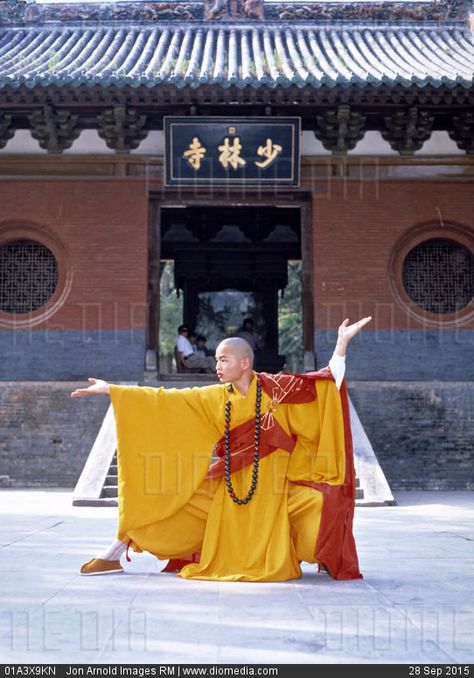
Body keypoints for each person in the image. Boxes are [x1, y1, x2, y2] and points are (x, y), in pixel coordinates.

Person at [71, 316, 372, 582]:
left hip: (275, 487)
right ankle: (113, 554)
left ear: (245, 363)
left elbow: (321, 385)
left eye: (224, 360)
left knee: (320, 502)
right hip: (230, 485)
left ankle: (324, 556)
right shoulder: (215, 397)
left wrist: (341, 346)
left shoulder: (276, 389)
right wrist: (113, 390)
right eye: (216, 360)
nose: (217, 366)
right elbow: (165, 400)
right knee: (168, 504)